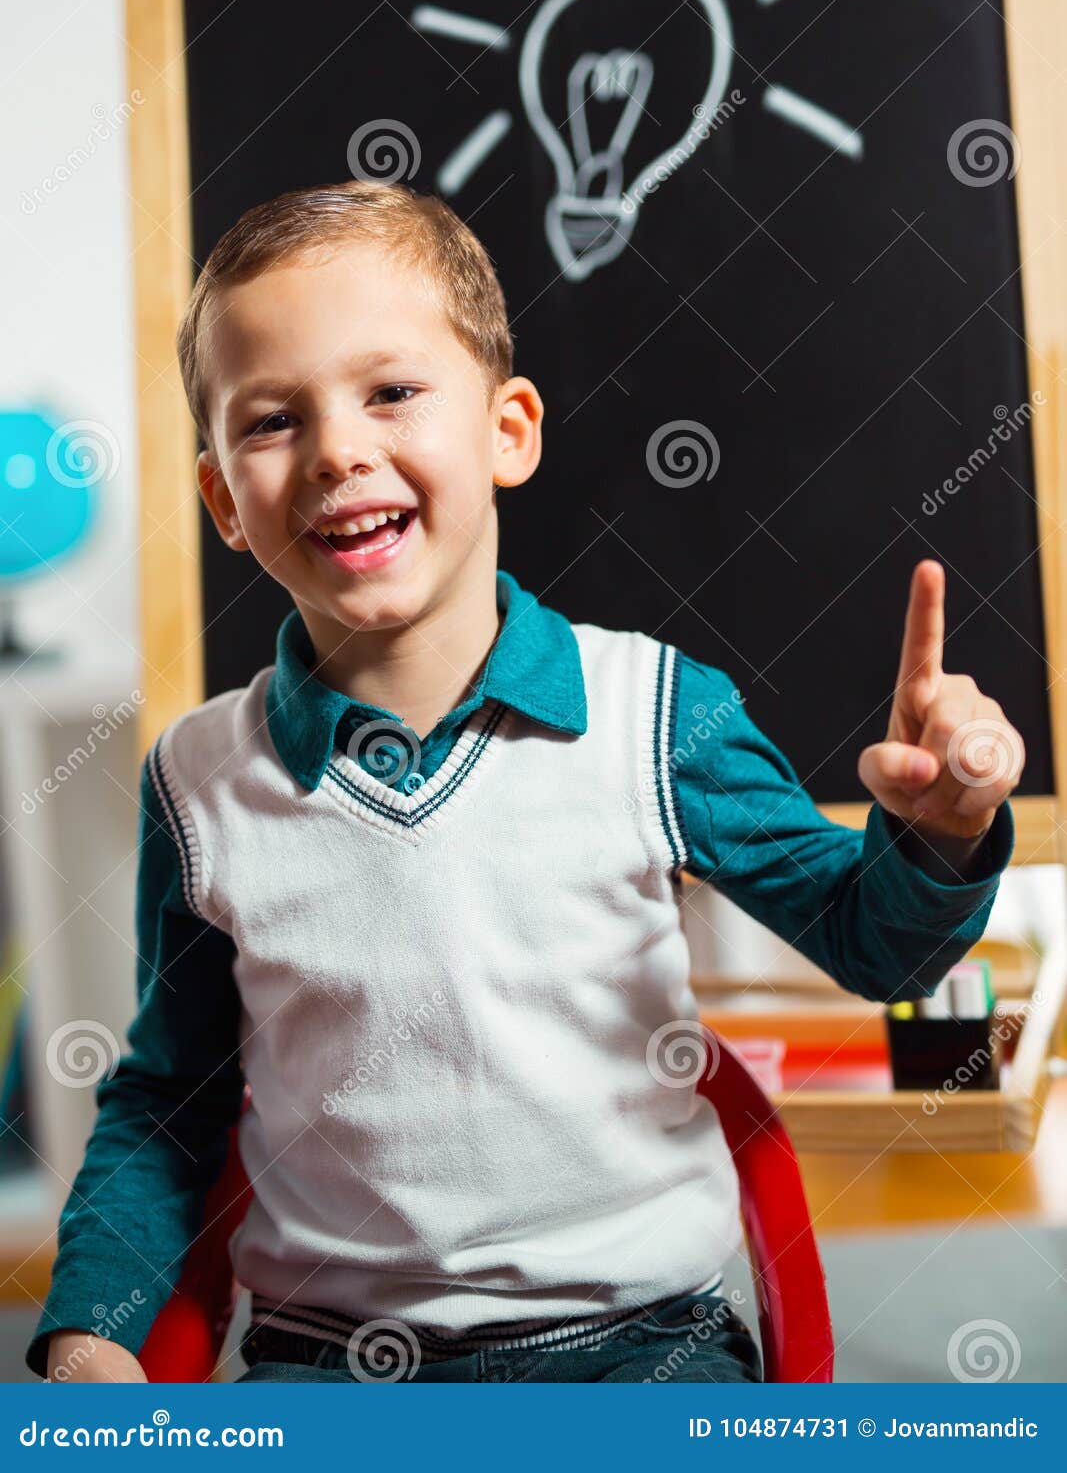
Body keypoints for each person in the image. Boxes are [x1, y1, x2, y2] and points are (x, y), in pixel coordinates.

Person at [29, 181, 1022, 1384]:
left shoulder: (656, 712)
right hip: (324, 1365)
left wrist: (939, 836)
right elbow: (169, 1100)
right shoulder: (197, 779)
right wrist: (92, 1325)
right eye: (271, 419)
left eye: (391, 392)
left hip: (639, 1349)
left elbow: (881, 948)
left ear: (508, 430)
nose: (340, 448)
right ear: (223, 502)